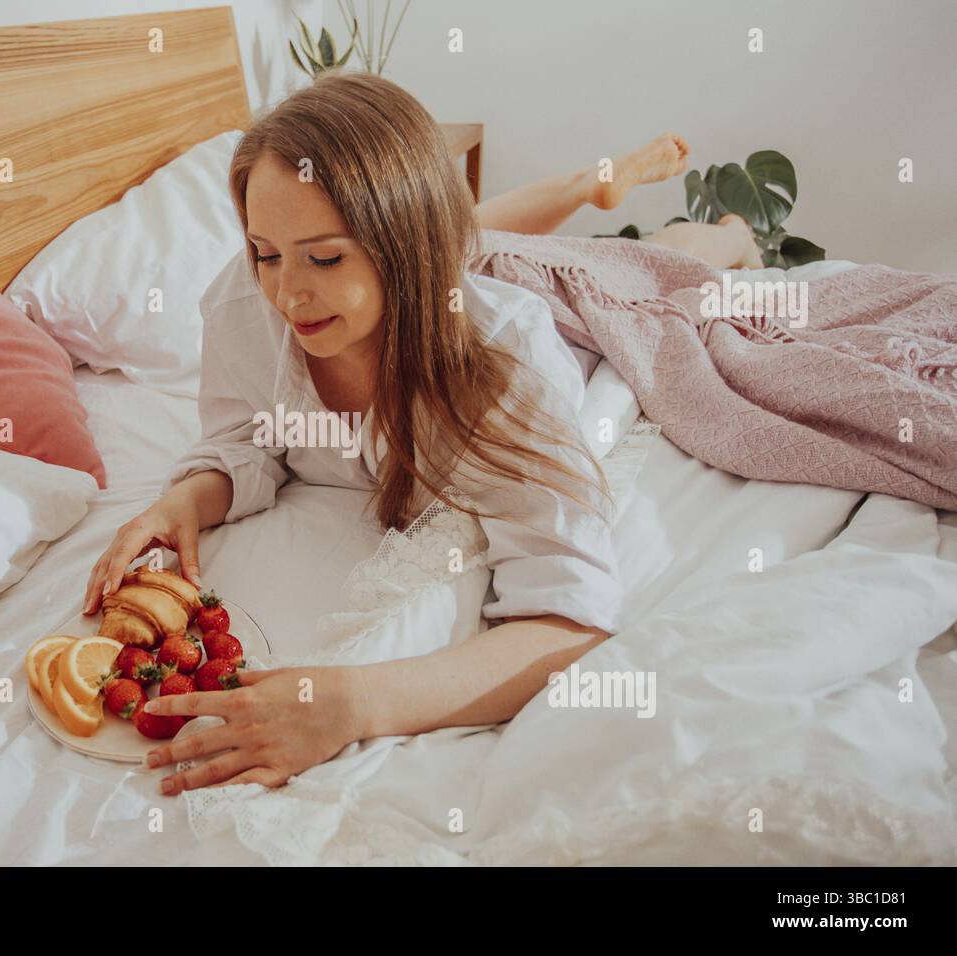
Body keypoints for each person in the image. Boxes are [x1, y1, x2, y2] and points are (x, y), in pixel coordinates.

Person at [82, 69, 759, 796]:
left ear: (399, 248)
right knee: (475, 233)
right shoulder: (248, 299)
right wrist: (189, 498)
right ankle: (579, 193)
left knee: (662, 267)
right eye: (266, 252)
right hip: (443, 261)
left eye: (325, 256)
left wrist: (350, 705)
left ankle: (729, 233)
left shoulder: (507, 367)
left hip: (556, 305)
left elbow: (570, 622)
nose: (286, 294)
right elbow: (246, 436)